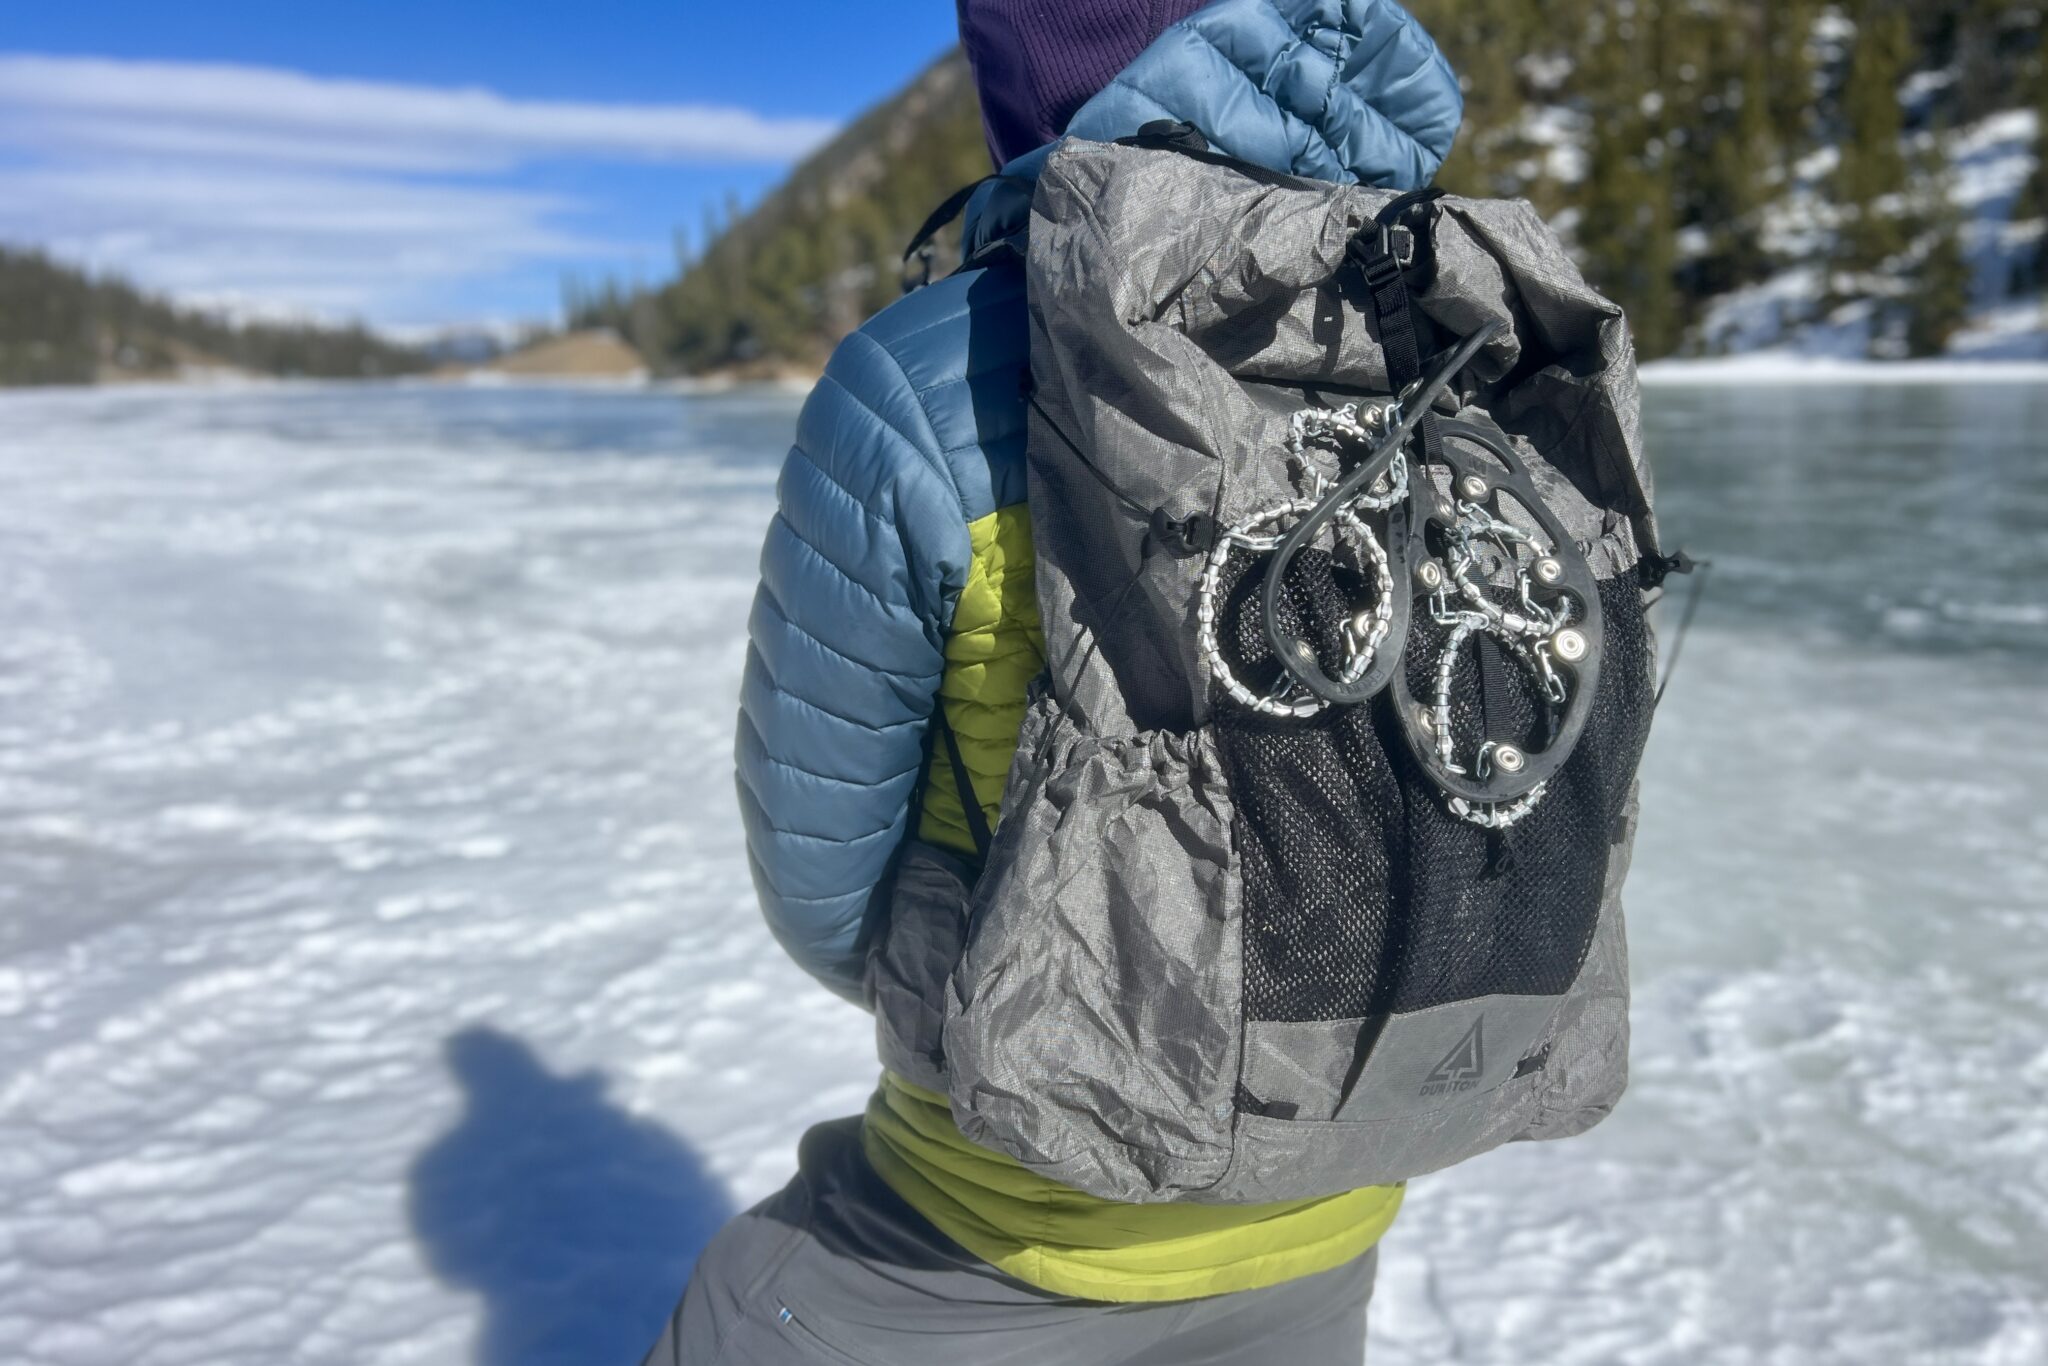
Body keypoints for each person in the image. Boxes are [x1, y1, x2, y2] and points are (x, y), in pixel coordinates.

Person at [642, 2, 1463, 1361]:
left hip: (1006, 1209)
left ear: (1027, 89)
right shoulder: (1445, 327)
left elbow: (821, 886)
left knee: (731, 1317)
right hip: (1337, 1184)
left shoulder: (930, 378)